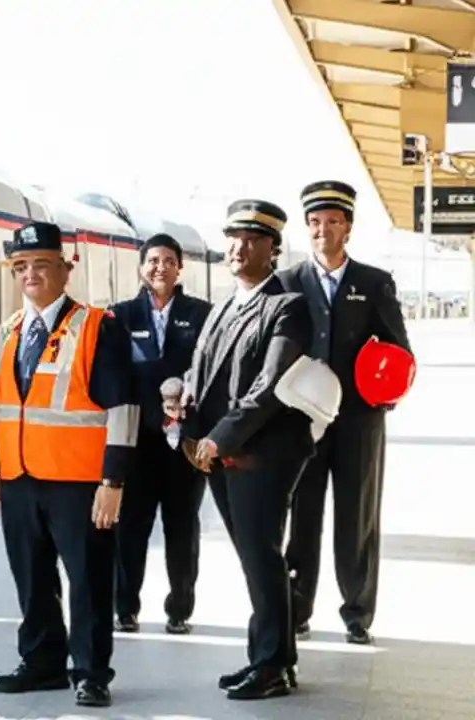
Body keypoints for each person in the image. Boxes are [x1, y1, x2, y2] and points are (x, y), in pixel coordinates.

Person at [0, 221, 137, 709]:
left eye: (41, 265)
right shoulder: (2, 335)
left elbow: (123, 409)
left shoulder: (96, 328)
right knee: (32, 576)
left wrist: (113, 480)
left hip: (79, 482)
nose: (30, 275)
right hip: (20, 478)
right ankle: (42, 661)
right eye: (21, 267)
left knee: (87, 578)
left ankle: (90, 671)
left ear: (65, 270)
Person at [178, 199, 313, 700]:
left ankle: (272, 664)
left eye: (252, 239)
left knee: (261, 556)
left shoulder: (287, 307)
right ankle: (270, 657)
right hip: (221, 454)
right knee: (254, 558)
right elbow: (203, 374)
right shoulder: (224, 306)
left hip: (264, 454)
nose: (238, 247)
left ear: (272, 250)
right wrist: (185, 405)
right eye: (233, 237)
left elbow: (269, 388)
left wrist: (220, 437)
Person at [278, 181, 411, 646]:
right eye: (315, 222)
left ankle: (357, 613)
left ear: (347, 228)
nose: (322, 230)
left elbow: (399, 351)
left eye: (332, 222)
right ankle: (297, 609)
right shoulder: (289, 283)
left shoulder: (374, 283)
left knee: (357, 515)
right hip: (304, 422)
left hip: (359, 421)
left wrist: (383, 398)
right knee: (303, 515)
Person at [108, 234, 211, 636]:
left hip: (184, 441)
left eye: (168, 260)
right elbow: (117, 378)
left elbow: (208, 371)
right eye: (152, 260)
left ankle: (179, 608)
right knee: (131, 525)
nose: (160, 268)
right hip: (138, 440)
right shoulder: (122, 316)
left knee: (182, 526)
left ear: (179, 267)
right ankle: (125, 606)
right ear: (141, 267)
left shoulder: (201, 315)